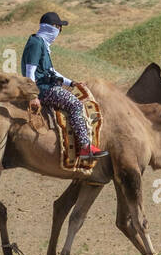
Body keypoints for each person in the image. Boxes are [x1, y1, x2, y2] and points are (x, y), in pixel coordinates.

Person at [22, 11, 107, 161]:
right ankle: (85, 147)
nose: (59, 32)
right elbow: (30, 72)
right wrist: (33, 96)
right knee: (75, 104)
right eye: (59, 28)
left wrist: (72, 83)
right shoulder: (36, 43)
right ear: (51, 28)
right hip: (43, 90)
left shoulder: (42, 44)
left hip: (47, 86)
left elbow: (51, 71)